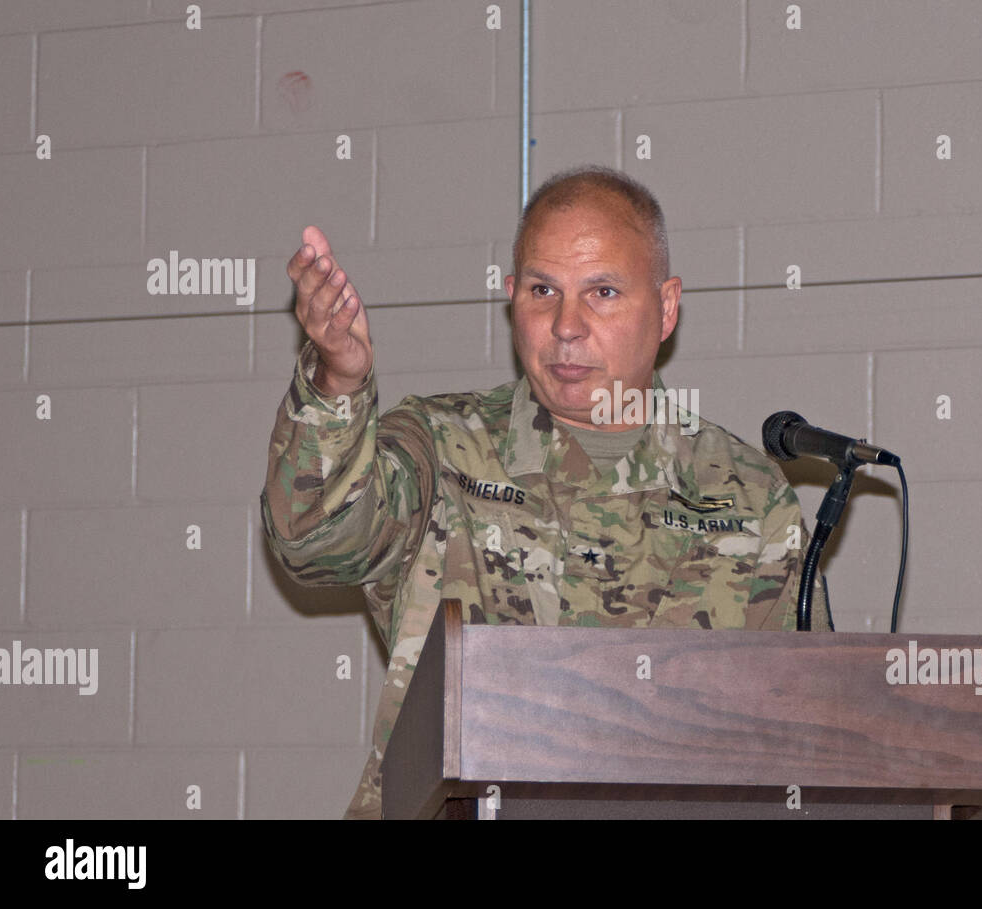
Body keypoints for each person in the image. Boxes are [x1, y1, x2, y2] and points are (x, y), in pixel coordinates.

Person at [260, 166, 832, 819]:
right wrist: (337, 385)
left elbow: (808, 744)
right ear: (511, 298)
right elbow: (311, 541)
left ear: (667, 307)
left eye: (603, 292)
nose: (566, 324)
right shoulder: (442, 447)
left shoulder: (748, 494)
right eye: (542, 290)